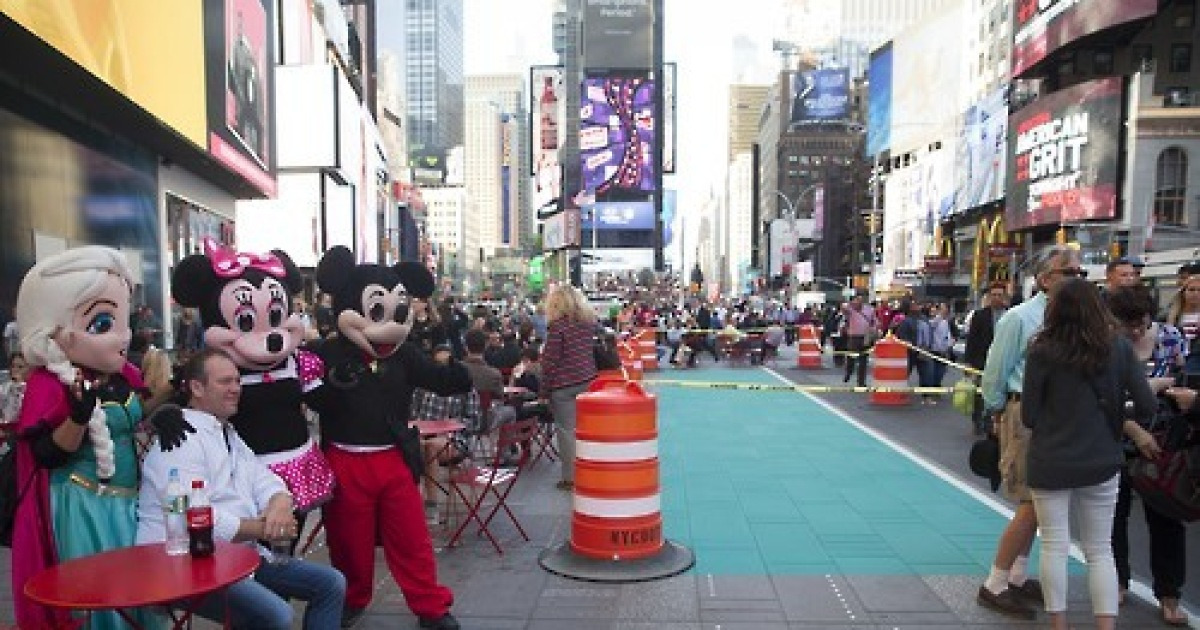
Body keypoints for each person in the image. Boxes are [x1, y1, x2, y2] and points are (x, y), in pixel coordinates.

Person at [9, 246, 172, 629]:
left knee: (140, 600)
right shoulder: (48, 384)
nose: (122, 336)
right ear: (54, 333)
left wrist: (171, 400)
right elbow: (47, 454)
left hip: (132, 504)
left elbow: (133, 415)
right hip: (84, 509)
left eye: (122, 321)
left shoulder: (123, 374)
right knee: (103, 604)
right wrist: (78, 417)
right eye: (102, 324)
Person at [137, 349, 346, 629]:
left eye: (237, 381)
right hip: (186, 562)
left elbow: (265, 480)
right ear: (197, 387)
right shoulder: (180, 437)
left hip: (237, 556)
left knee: (331, 583)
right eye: (225, 382)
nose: (236, 388)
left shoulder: (228, 433)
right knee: (276, 614)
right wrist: (261, 529)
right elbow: (194, 514)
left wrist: (280, 506)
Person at [1022, 278, 1156, 630]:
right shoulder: (1120, 349)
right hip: (1101, 459)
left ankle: (1058, 624)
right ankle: (1105, 626)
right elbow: (1146, 405)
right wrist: (1115, 415)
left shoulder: (1041, 350)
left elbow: (1029, 415)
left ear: (1054, 310)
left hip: (1050, 459)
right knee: (1100, 549)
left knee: (1054, 544)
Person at [976, 244, 1082, 620]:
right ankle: (995, 582)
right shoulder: (1019, 318)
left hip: (1059, 416)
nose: (1078, 279)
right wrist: (995, 413)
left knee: (1040, 502)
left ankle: (1016, 575)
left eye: (1080, 273)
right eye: (1069, 272)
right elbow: (995, 371)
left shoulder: (1072, 318)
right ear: (1045, 279)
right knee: (1031, 500)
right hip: (1024, 413)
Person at [1105, 285, 1189, 625]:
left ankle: (1169, 595)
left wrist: (1167, 388)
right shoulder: (1105, 344)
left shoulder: (1170, 336)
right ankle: (1118, 582)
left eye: (1141, 323)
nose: (1137, 331)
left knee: (1167, 515)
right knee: (1114, 514)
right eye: (1128, 325)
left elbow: (1182, 379)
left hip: (1164, 438)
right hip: (1116, 437)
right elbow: (1100, 397)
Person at [540, 285, 598, 491]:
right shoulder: (588, 324)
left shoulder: (558, 327)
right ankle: (592, 469)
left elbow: (550, 362)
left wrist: (543, 392)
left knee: (566, 431)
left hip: (563, 385)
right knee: (587, 429)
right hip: (588, 379)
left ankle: (570, 478)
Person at [964, 283, 1008, 435]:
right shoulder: (980, 316)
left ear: (1005, 296)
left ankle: (994, 420)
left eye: (999, 295)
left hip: (1003, 362)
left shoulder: (1010, 315)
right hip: (982, 361)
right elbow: (972, 340)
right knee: (980, 393)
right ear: (989, 297)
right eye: (993, 295)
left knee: (999, 393)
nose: (996, 298)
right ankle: (978, 419)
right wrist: (969, 363)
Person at [1167, 274, 1200, 386]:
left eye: (1199, 290)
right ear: (1183, 292)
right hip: (1174, 366)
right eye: (1191, 290)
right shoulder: (1170, 316)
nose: (1195, 294)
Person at [841, 295, 877, 387]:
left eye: (860, 300)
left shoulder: (870, 309)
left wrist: (874, 328)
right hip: (853, 337)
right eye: (857, 300)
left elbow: (874, 321)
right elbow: (843, 309)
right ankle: (848, 372)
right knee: (851, 357)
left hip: (865, 337)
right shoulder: (850, 309)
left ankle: (861, 382)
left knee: (863, 361)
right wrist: (850, 304)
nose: (859, 302)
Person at [1, 352, 28, 424]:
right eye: (13, 366)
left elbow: (16, 414)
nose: (15, 369)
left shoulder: (32, 388)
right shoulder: (4, 387)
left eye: (20, 367)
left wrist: (19, 386)